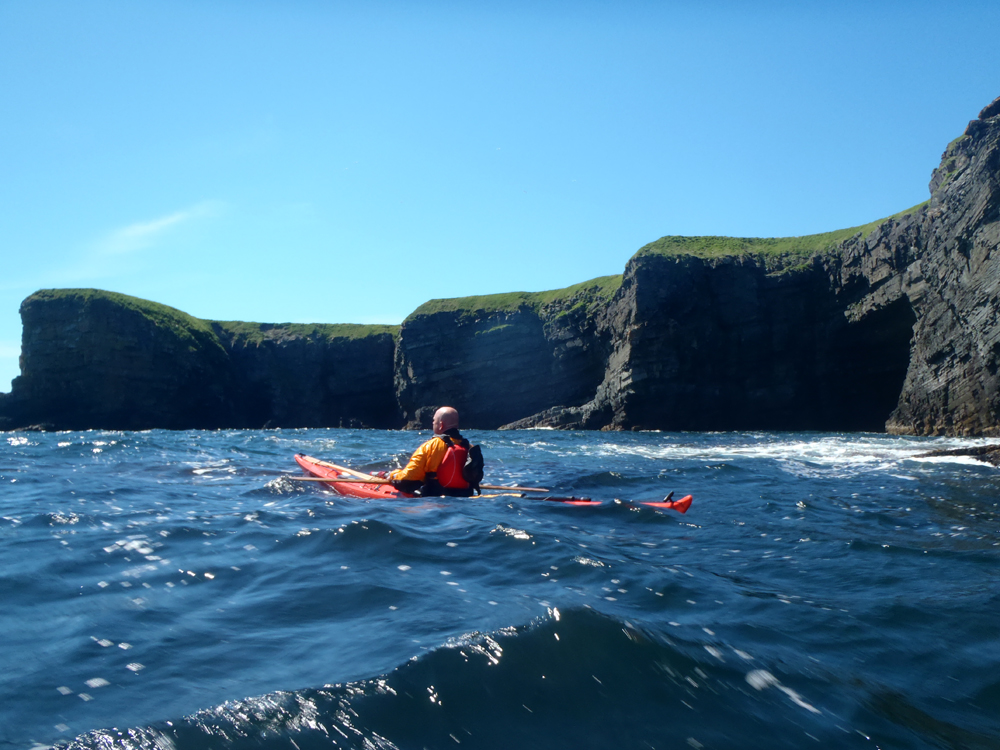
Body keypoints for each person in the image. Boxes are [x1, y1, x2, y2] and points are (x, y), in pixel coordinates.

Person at [381, 406, 476, 496]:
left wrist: (393, 475)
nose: (433, 423)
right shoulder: (469, 447)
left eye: (434, 421)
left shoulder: (430, 446)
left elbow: (409, 478)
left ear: (441, 425)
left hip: (435, 498)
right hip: (465, 495)